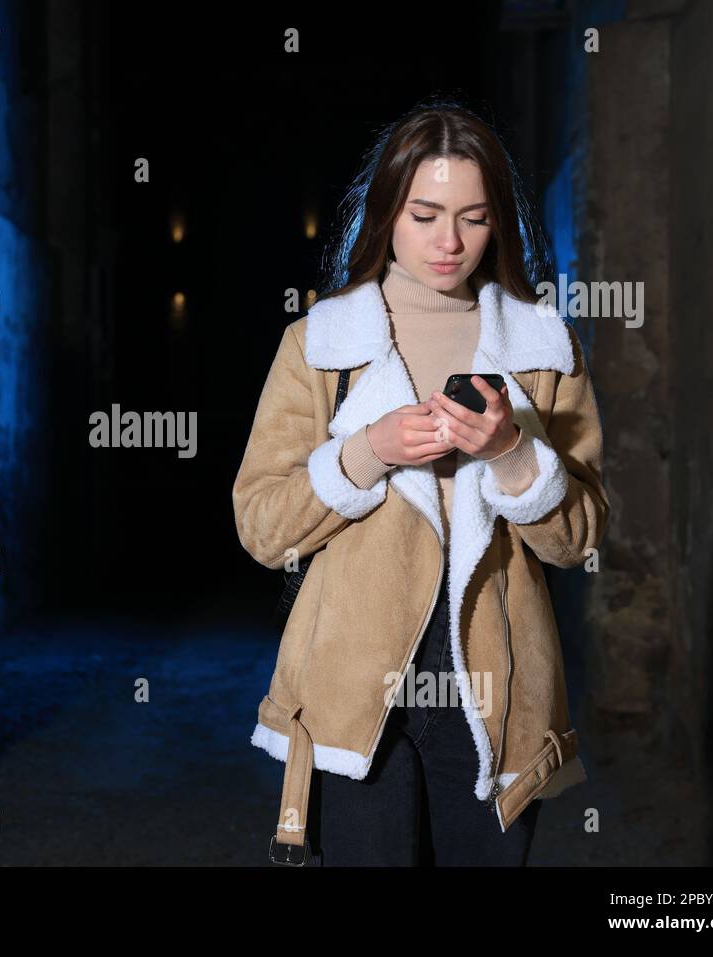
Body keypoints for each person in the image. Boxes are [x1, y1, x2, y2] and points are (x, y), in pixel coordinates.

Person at [232, 99, 610, 866]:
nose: (449, 242)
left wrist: (512, 451)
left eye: (474, 217)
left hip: (497, 687)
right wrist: (366, 451)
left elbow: (579, 539)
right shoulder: (319, 345)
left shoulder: (543, 347)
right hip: (353, 684)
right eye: (425, 214)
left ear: (498, 222)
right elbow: (263, 528)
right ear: (386, 213)